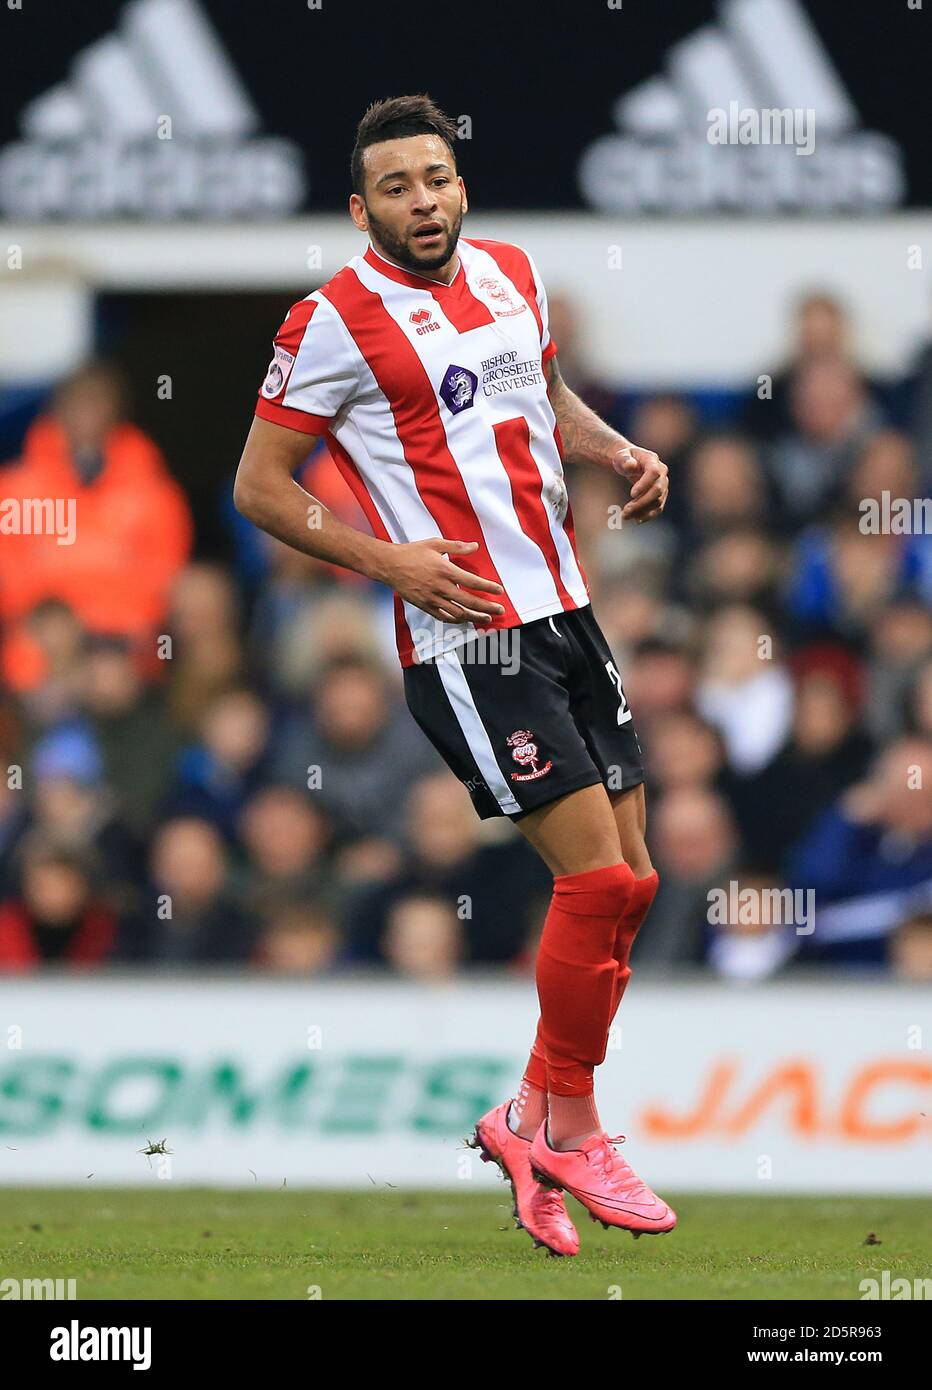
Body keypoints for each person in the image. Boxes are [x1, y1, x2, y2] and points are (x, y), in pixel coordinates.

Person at [233, 95, 671, 1257]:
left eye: (435, 179)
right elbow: (260, 486)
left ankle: (528, 1119)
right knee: (589, 885)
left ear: (458, 186)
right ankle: (566, 1126)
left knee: (632, 883)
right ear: (358, 207)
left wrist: (613, 447)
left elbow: (539, 392)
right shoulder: (329, 321)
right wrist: (389, 563)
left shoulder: (514, 273)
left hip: (567, 609)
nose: (420, 201)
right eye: (395, 187)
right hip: (469, 637)